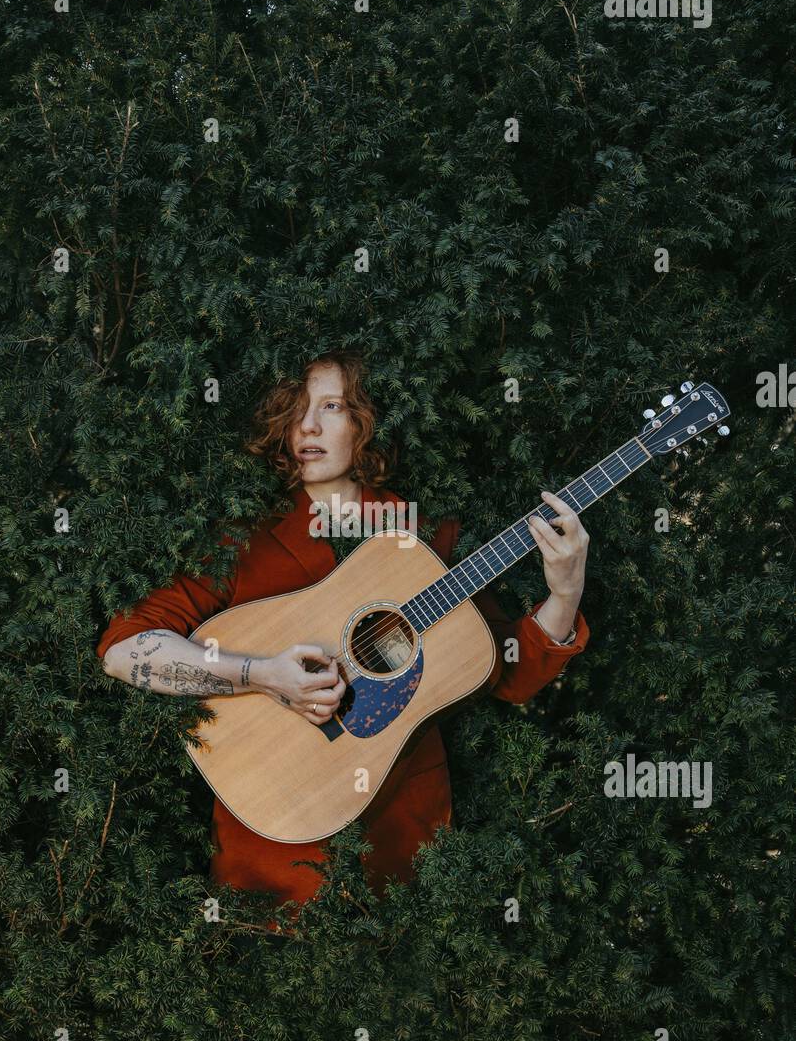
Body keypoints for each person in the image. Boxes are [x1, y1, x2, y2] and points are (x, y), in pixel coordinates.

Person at [97, 351, 590, 930]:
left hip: (405, 843)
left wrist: (563, 595)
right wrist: (262, 674)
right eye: (295, 410)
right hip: (272, 846)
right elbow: (124, 650)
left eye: (331, 407)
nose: (308, 426)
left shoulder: (421, 536)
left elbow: (499, 671)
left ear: (364, 422)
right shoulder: (240, 540)